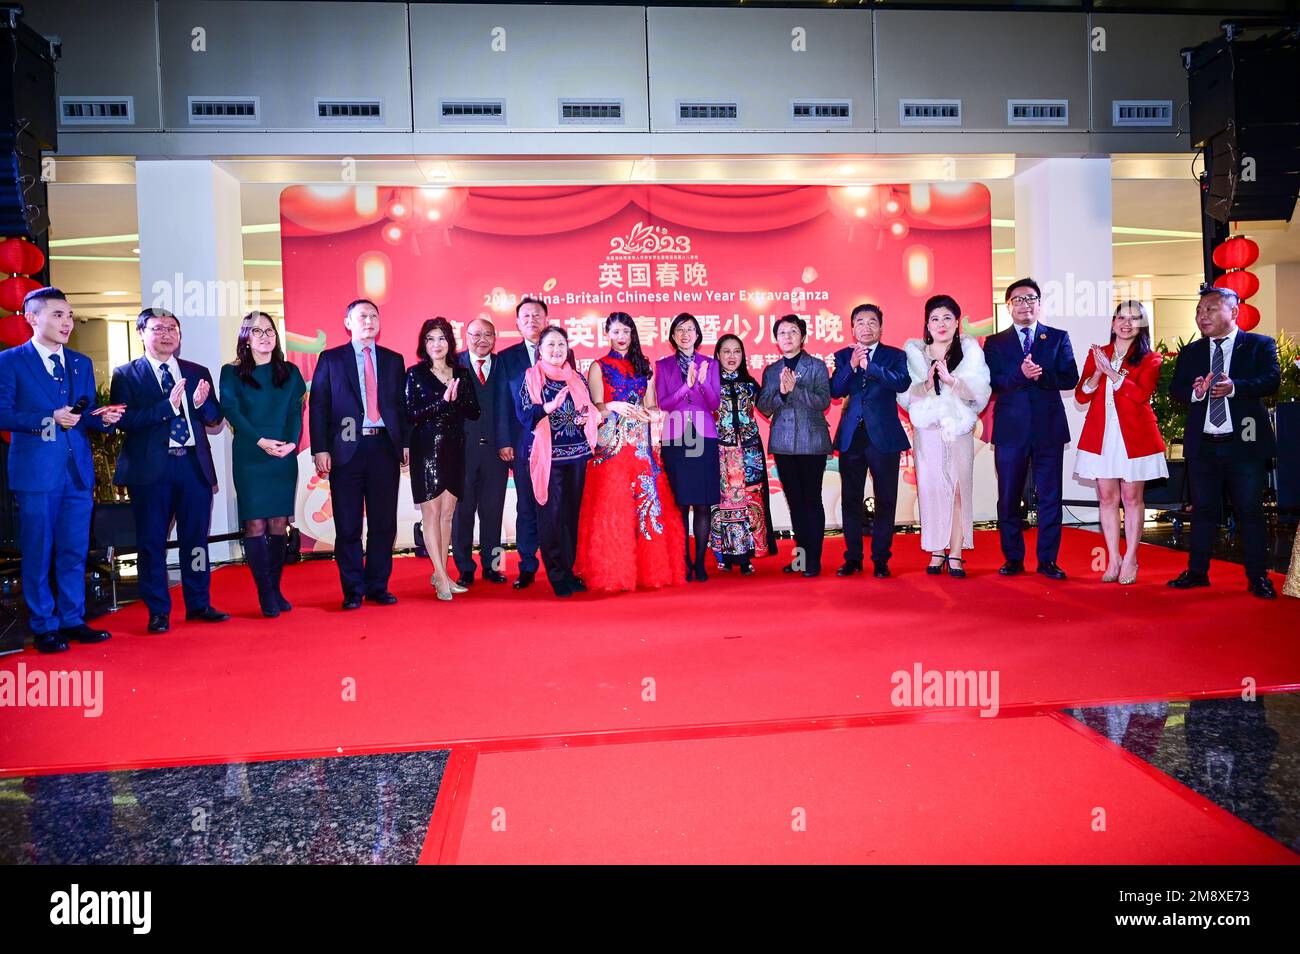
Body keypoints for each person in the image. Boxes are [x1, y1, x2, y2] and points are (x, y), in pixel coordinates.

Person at [0, 287, 121, 653]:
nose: (67, 322)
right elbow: (3, 413)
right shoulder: (10, 360)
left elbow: (81, 419)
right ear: (32, 319)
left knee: (74, 549)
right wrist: (45, 418)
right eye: (57, 315)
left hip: (77, 471)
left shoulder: (81, 363)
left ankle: (72, 619)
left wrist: (105, 420)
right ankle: (44, 626)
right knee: (39, 551)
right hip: (36, 472)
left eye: (69, 316)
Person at [110, 307, 228, 633]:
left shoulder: (195, 370)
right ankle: (158, 611)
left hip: (193, 465)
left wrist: (203, 403)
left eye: (172, 329)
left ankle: (199, 604)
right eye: (158, 328)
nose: (166, 334)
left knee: (196, 541)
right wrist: (169, 407)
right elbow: (125, 421)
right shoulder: (126, 374)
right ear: (142, 334)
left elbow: (215, 419)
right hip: (151, 472)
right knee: (152, 542)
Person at [1167, 285, 1280, 599]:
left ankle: (1258, 577)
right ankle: (1197, 571)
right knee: (1202, 509)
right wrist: (1196, 392)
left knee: (1249, 511)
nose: (1202, 316)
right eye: (1199, 311)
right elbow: (1176, 390)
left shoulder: (1258, 345)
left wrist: (1234, 387)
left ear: (1233, 312)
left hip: (1244, 441)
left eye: (1210, 309)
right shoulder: (1192, 352)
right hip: (1203, 444)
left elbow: (1271, 380)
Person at [308, 298, 409, 610]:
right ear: (348, 322)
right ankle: (353, 589)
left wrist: (404, 442)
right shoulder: (331, 359)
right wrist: (321, 448)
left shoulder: (394, 360)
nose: (369, 321)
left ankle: (378, 585)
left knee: (383, 523)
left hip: (383, 448)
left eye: (373, 316)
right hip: (346, 450)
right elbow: (319, 405)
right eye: (362, 316)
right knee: (348, 525)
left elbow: (401, 407)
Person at [574, 313, 685, 592]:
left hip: (641, 446)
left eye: (626, 331)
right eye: (615, 332)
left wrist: (651, 415)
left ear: (633, 334)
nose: (621, 337)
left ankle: (648, 572)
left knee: (648, 506)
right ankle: (613, 573)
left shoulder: (643, 366)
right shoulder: (598, 366)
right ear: (607, 334)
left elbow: (652, 405)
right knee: (613, 508)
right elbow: (595, 407)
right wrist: (613, 406)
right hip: (611, 446)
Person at [985, 278, 1079, 580]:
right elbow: (993, 384)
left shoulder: (1057, 337)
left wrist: (1041, 376)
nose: (1025, 305)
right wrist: (1020, 374)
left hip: (1048, 430)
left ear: (1039, 303)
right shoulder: (995, 343)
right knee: (1009, 497)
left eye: (1030, 299)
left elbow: (1070, 378)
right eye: (1018, 300)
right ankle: (1013, 558)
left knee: (1051, 497)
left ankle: (1048, 560)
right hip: (1011, 431)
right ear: (1008, 306)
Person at [218, 311, 307, 618]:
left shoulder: (290, 372)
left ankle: (275, 588)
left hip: (283, 455)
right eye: (257, 332)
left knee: (279, 523)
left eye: (270, 331)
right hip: (251, 454)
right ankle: (265, 592)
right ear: (246, 337)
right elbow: (231, 411)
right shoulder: (231, 373)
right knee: (255, 523)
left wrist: (293, 443)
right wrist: (260, 441)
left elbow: (297, 411)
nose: (265, 336)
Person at [1073, 301, 1167, 585]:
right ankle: (1113, 557)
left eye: (1134, 319)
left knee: (1131, 497)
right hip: (1101, 435)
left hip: (1135, 437)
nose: (1127, 323)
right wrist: (1099, 371)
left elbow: (1140, 396)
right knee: (1107, 498)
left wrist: (1113, 374)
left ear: (1142, 325)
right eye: (1122, 318)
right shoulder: (1097, 354)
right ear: (1113, 322)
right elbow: (1081, 395)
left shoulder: (1151, 359)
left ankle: (1131, 558)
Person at [897, 295, 991, 578]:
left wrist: (953, 382)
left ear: (957, 323)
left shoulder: (971, 352)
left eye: (947, 318)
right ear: (927, 323)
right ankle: (937, 549)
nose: (941, 324)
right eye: (935, 319)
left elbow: (980, 396)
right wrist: (926, 384)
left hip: (958, 431)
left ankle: (957, 553)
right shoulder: (915, 354)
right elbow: (904, 396)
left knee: (959, 489)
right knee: (932, 490)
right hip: (928, 433)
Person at [829, 303, 911, 578]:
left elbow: (902, 383)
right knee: (851, 500)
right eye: (860, 322)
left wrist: (870, 367)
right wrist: (852, 365)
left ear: (881, 327)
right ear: (852, 328)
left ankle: (880, 559)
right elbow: (835, 390)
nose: (866, 326)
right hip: (852, 437)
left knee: (885, 500)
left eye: (872, 321)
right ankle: (852, 558)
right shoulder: (842, 356)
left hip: (883, 437)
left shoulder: (895, 356)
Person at [516, 325, 598, 597]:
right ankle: (556, 575)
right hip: (549, 459)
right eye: (550, 345)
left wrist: (587, 417)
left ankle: (569, 570)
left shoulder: (576, 378)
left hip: (576, 458)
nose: (556, 350)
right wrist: (546, 409)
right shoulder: (530, 377)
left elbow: (586, 411)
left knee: (570, 518)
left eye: (561, 345)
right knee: (550, 518)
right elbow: (525, 415)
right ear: (540, 350)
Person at [406, 316, 481, 601]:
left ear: (449, 342)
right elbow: (412, 413)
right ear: (423, 344)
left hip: (454, 449)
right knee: (432, 515)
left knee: (448, 515)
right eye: (430, 339)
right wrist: (443, 401)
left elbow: (474, 411)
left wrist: (458, 397)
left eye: (441, 338)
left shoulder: (461, 373)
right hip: (426, 450)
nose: (436, 344)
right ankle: (439, 576)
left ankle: (443, 572)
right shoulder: (415, 374)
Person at [757, 314, 832, 577]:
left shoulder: (817, 366)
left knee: (812, 500)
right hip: (784, 445)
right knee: (795, 503)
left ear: (802, 336)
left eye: (792, 332)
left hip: (813, 443)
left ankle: (814, 560)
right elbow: (764, 406)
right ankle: (800, 558)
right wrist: (782, 393)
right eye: (782, 333)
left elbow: (824, 401)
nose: (787, 337)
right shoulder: (771, 370)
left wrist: (795, 390)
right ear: (776, 340)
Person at [654, 313, 722, 581]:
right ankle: (684, 562)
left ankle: (701, 562)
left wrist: (702, 383)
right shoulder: (663, 365)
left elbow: (714, 403)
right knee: (681, 503)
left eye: (690, 329)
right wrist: (687, 386)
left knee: (703, 503)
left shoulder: (710, 364)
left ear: (697, 335)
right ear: (673, 336)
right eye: (680, 330)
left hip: (703, 435)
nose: (685, 334)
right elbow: (664, 403)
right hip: (675, 437)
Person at [495, 297, 549, 589]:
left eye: (537, 315)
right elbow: (502, 403)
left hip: (558, 446)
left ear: (546, 320)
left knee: (555, 506)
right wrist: (505, 440)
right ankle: (527, 565)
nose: (532, 320)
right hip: (522, 443)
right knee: (526, 505)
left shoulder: (561, 350)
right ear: (517, 323)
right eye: (526, 316)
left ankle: (558, 564)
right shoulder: (506, 357)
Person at [709, 334, 775, 574]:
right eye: (726, 351)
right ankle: (725, 555)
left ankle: (747, 556)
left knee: (749, 501)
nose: (731, 356)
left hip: (749, 451)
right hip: (721, 451)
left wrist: (784, 393)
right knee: (724, 503)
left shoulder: (750, 384)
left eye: (736, 351)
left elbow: (767, 409)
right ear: (718, 355)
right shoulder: (710, 384)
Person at [452, 317, 510, 587]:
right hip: (462, 454)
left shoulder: (504, 366)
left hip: (497, 454)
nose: (482, 339)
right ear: (466, 336)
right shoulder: (453, 365)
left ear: (495, 338)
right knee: (462, 515)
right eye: (476, 334)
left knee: (493, 513)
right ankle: (464, 567)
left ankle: (493, 566)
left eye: (488, 334)